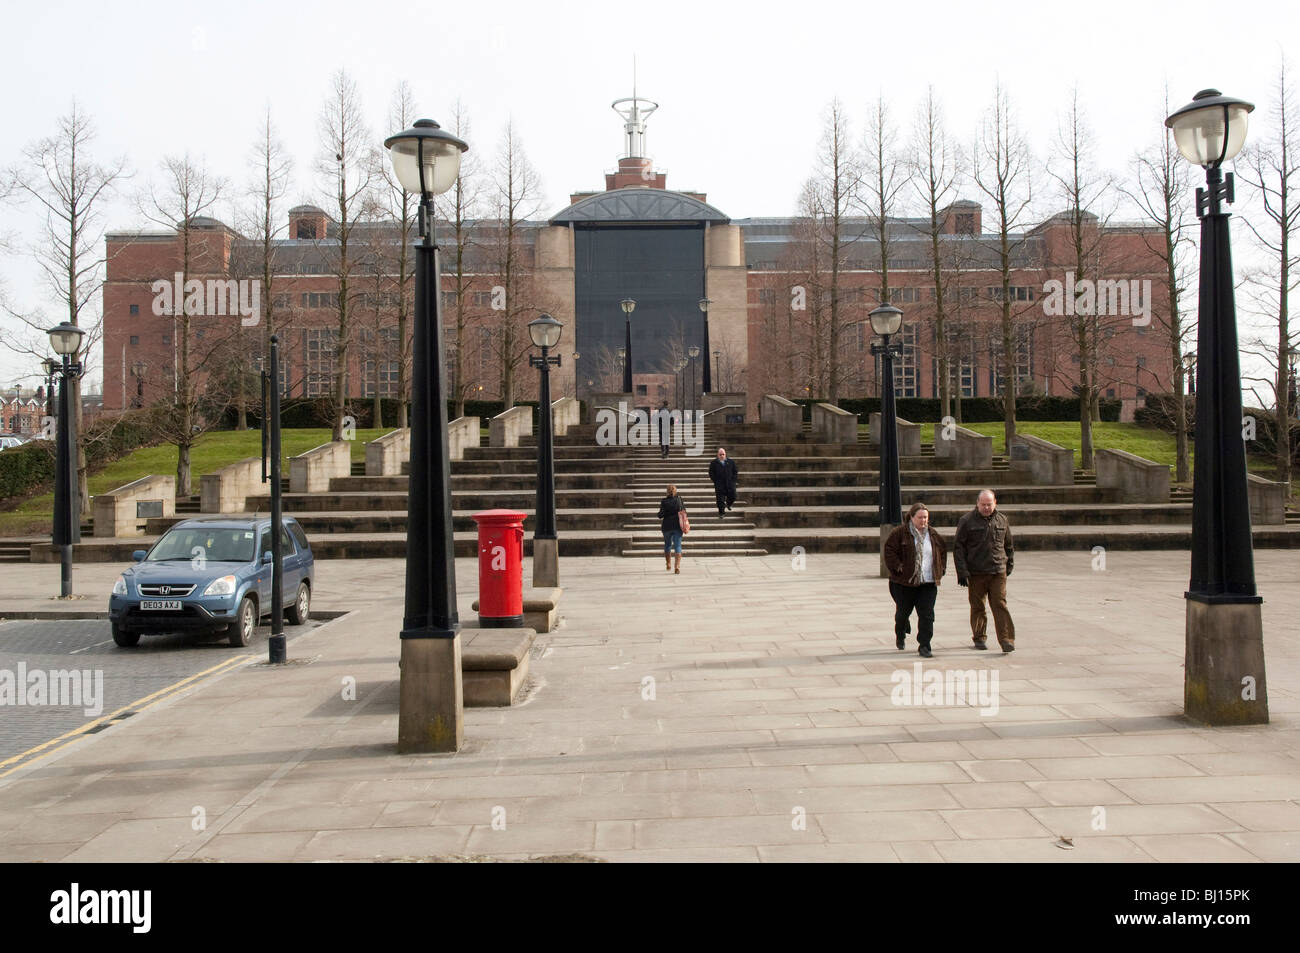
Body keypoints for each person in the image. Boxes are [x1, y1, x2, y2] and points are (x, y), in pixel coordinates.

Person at [953, 488, 1016, 653]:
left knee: (1000, 604)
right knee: (978, 606)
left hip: (998, 571)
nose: (987, 508)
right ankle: (979, 637)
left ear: (995, 503)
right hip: (976, 572)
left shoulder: (1002, 520)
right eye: (983, 505)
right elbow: (958, 548)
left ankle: (1006, 640)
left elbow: (1008, 545)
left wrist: (1008, 566)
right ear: (977, 504)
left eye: (989, 504)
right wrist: (962, 572)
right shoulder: (966, 521)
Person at [882, 502, 948, 658]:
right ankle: (900, 633)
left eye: (926, 517)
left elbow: (942, 553)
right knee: (902, 614)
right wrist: (899, 568)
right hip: (905, 583)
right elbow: (889, 551)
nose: (923, 521)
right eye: (920, 517)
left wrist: (941, 570)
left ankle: (925, 645)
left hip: (927, 583)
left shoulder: (933, 535)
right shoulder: (899, 533)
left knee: (927, 616)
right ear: (911, 518)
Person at [657, 484, 686, 574]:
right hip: (677, 526)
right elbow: (684, 511)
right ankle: (677, 566)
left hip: (667, 526)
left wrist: (661, 513)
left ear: (667, 491)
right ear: (675, 491)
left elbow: (660, 515)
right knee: (678, 546)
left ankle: (668, 563)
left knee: (667, 545)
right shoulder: (679, 499)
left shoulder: (664, 501)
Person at [708, 447, 738, 518]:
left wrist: (733, 480)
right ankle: (722, 513)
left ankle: (728, 504)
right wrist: (715, 481)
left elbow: (735, 471)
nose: (722, 456)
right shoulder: (714, 463)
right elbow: (711, 473)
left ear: (725, 454)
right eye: (720, 454)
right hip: (719, 485)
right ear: (717, 455)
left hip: (730, 484)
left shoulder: (731, 462)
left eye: (723, 454)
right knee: (720, 500)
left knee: (733, 496)